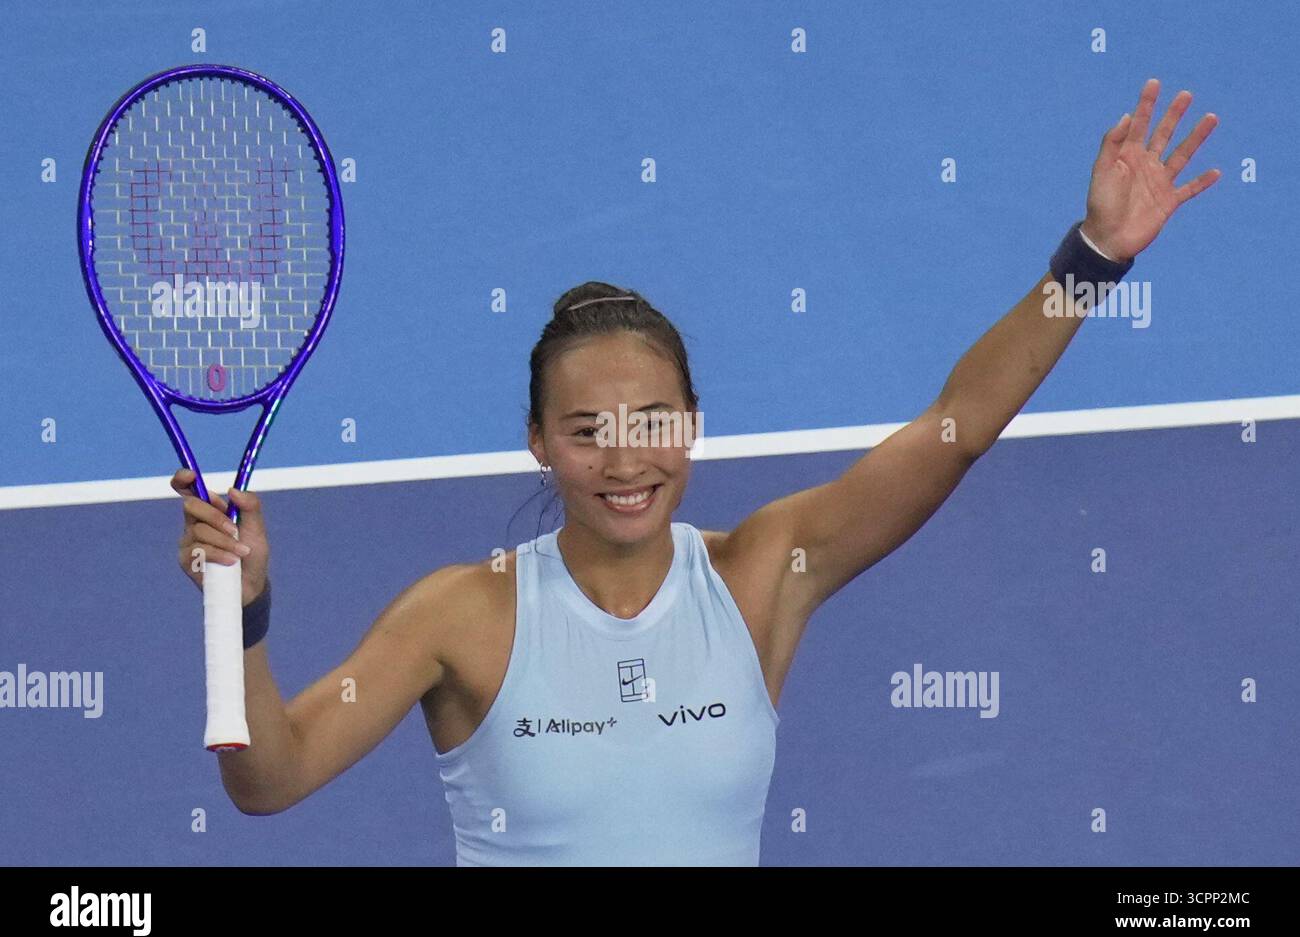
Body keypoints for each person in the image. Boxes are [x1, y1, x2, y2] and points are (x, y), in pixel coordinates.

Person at [172, 77, 1219, 865]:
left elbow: (957, 423)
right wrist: (245, 609)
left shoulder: (765, 571)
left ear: (692, 424)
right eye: (586, 430)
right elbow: (273, 775)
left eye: (652, 420)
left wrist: (1092, 255)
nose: (625, 459)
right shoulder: (459, 615)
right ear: (536, 441)